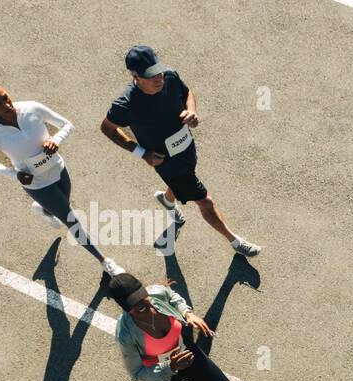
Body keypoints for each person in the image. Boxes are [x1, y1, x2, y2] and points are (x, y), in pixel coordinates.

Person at [99, 45, 260, 257]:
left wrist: (191, 111)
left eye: (159, 70)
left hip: (187, 147)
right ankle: (235, 242)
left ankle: (167, 200)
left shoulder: (170, 78)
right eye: (151, 75)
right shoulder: (126, 104)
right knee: (205, 201)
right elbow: (107, 127)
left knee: (186, 178)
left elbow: (188, 92)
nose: (159, 78)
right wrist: (141, 153)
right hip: (167, 163)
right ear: (135, 76)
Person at [0, 78, 127, 281]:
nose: (7, 105)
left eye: (5, 97)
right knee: (72, 220)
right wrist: (14, 174)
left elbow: (67, 125)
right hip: (37, 185)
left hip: (58, 170)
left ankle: (44, 209)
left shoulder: (31, 108)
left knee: (63, 204)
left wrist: (55, 139)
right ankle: (105, 261)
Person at [109, 273, 232, 381]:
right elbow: (136, 373)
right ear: (124, 307)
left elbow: (173, 297)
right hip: (159, 372)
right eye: (133, 304)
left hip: (183, 352)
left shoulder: (157, 293)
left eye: (141, 296)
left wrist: (188, 313)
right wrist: (170, 367)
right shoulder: (125, 334)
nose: (142, 305)